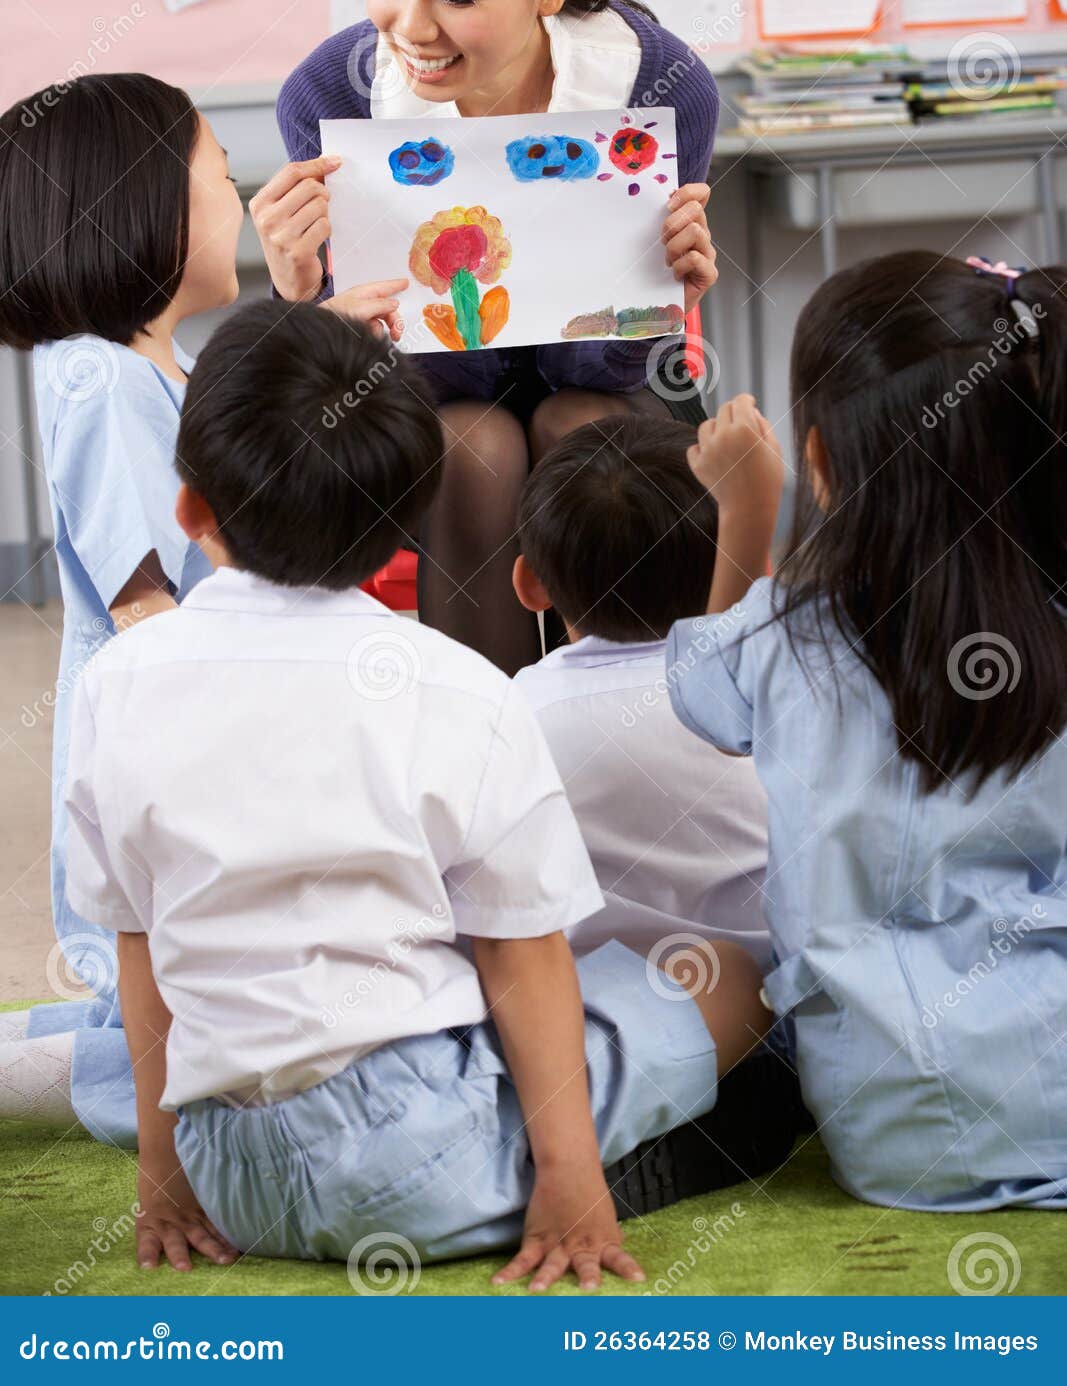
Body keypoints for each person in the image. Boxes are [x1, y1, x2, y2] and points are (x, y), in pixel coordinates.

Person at [62, 301, 772, 1283]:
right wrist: (570, 1180)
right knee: (722, 978)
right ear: (405, 529)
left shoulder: (117, 683)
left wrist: (164, 1170)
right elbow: (521, 958)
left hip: (224, 1167)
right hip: (418, 1156)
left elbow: (138, 942)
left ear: (190, 511)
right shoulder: (458, 689)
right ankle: (560, 1171)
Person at [0, 73, 405, 1142]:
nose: (238, 197)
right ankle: (61, 1072)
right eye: (219, 178)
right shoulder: (102, 382)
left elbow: (232, 452)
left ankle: (71, 1046)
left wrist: (310, 328)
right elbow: (148, 605)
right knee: (182, 1035)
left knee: (182, 988)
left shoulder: (142, 368)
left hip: (186, 723)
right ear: (141, 205)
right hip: (163, 735)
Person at [255, 0, 720, 673]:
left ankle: (634, 739)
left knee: (583, 426)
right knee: (475, 444)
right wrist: (305, 300)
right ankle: (489, 751)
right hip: (417, 400)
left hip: (605, 390)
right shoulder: (331, 95)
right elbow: (384, 379)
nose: (413, 31)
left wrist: (657, 297)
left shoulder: (659, 84)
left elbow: (603, 373)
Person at [668, 253, 1067, 1210]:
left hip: (894, 1135)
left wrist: (744, 515)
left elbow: (699, 697)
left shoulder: (780, 636)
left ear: (816, 461)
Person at [512, 414, 770, 967]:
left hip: (593, 1020)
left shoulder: (512, 721)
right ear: (745, 564)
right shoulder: (779, 702)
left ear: (530, 584)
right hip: (779, 1003)